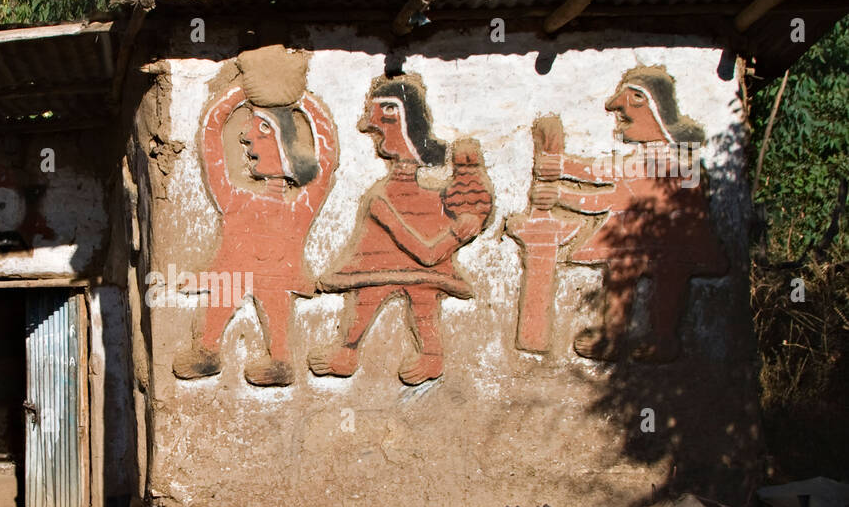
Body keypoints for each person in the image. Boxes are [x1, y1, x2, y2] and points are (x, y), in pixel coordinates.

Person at [529, 66, 728, 361]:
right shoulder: (643, 160)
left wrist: (561, 189)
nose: (618, 116)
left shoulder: (679, 163)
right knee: (622, 266)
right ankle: (614, 336)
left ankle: (663, 340)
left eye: (632, 104)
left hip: (675, 243)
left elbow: (613, 193)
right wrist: (560, 170)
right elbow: (605, 177)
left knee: (669, 272)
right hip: (640, 237)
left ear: (656, 114)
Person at [311, 75, 493, 385]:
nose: (370, 130)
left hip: (418, 236)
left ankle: (427, 355)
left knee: (419, 294)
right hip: (408, 238)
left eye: (384, 120)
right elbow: (427, 250)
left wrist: (465, 215)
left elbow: (430, 248)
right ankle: (347, 351)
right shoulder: (385, 196)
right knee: (373, 289)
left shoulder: (404, 198)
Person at [172, 73, 338, 386]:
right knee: (229, 283)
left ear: (282, 141)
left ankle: (279, 359)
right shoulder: (237, 201)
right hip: (233, 274)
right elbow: (211, 146)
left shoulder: (297, 209)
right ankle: (208, 349)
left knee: (269, 294)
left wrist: (300, 97)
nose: (246, 137)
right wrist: (239, 93)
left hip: (274, 277)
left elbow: (325, 161)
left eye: (259, 128)